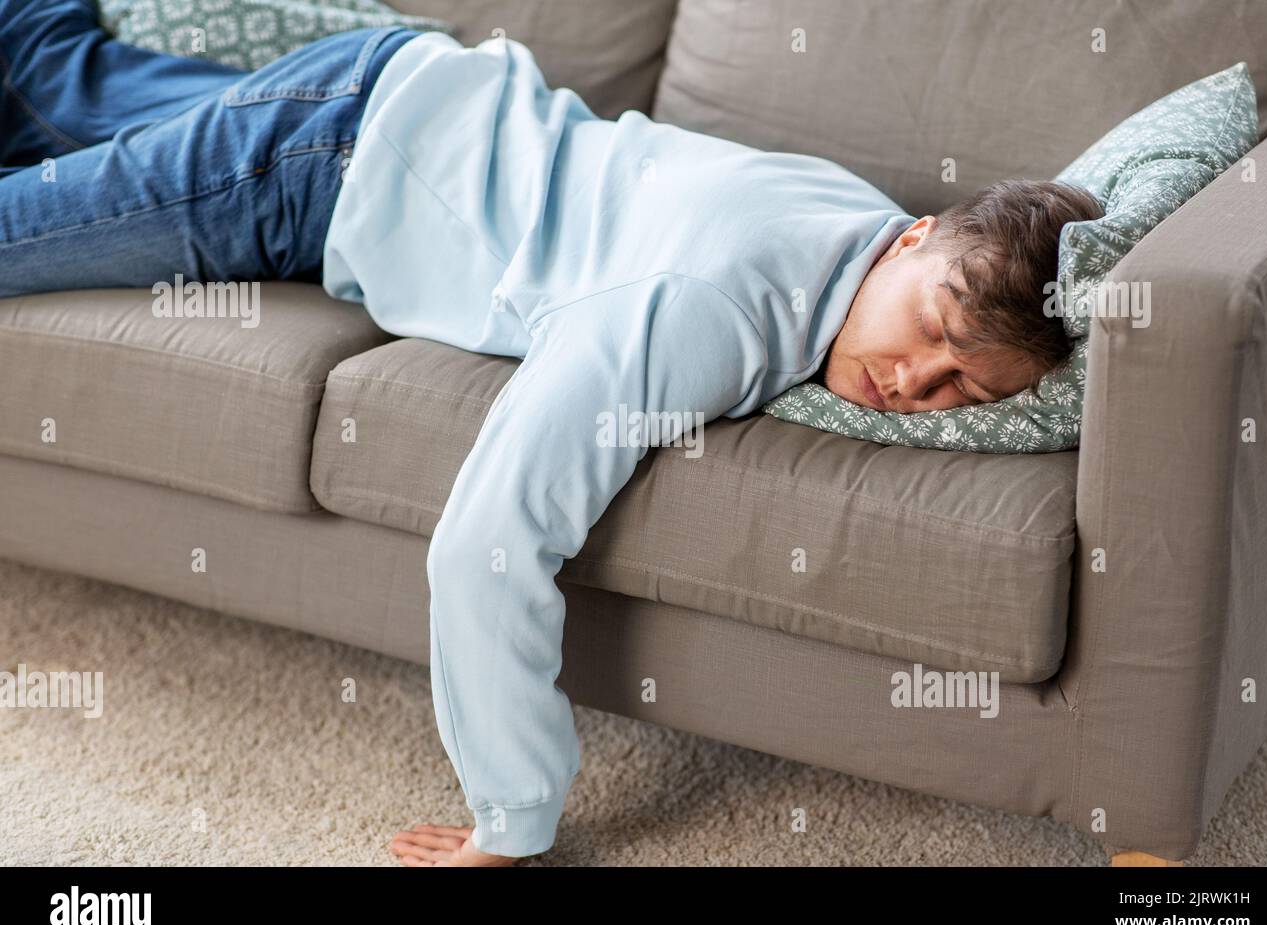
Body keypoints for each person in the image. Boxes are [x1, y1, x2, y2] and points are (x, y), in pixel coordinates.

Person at [0, 2, 1103, 866]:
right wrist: (513, 815)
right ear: (912, 242)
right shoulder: (703, 309)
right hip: (304, 170)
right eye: (934, 330)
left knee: (55, 77)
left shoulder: (851, 211)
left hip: (395, 81)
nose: (914, 381)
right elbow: (486, 541)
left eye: (965, 390)